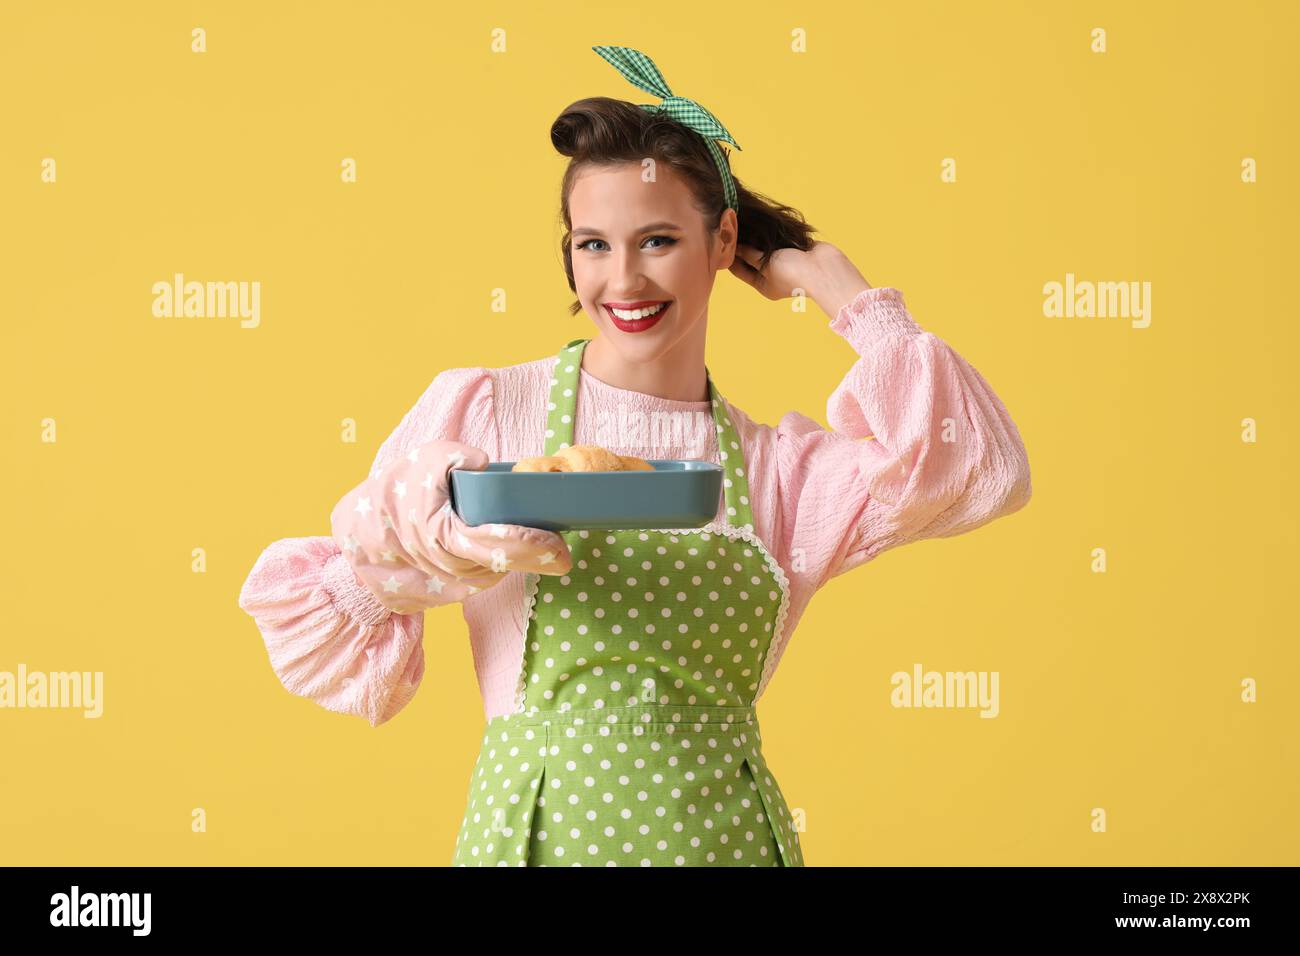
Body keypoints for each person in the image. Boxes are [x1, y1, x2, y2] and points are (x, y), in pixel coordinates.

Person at [238, 47, 1033, 866]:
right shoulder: (487, 414)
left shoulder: (780, 475)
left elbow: (977, 468)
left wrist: (851, 299)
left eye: (657, 240)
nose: (623, 281)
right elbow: (342, 597)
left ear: (723, 240)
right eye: (592, 245)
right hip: (532, 843)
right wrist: (433, 530)